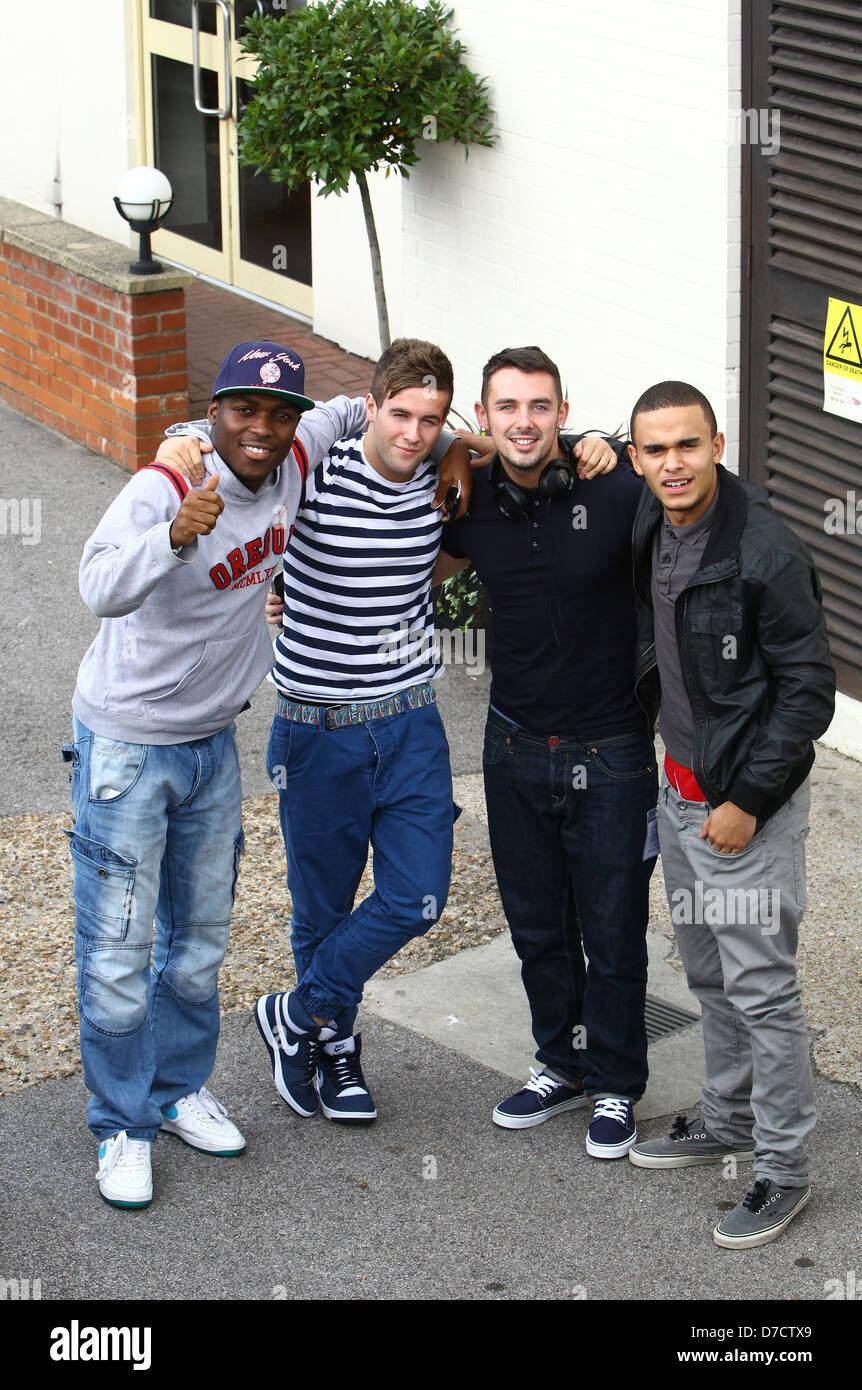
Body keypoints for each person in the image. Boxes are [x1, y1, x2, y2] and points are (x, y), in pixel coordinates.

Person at [67, 340, 380, 1208]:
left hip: (213, 743)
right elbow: (97, 586)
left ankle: (175, 1093)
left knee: (199, 943)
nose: (263, 428)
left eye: (279, 413)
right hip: (128, 747)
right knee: (119, 953)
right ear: (214, 414)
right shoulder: (168, 483)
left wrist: (462, 444)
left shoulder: (296, 455)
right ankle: (121, 1124)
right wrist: (172, 537)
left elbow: (363, 407)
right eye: (244, 409)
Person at [155, 338, 494, 1126]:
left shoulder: (441, 477)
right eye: (400, 414)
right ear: (369, 407)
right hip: (318, 729)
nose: (413, 433)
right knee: (323, 909)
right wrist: (180, 442)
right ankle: (334, 1042)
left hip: (410, 722)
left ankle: (296, 1012)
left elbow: (507, 444)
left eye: (431, 420)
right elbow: (244, 440)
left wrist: (455, 448)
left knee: (417, 897)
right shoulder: (312, 470)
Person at [625, 380, 835, 1248]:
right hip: (679, 794)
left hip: (743, 808)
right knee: (708, 973)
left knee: (762, 989)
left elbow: (809, 690)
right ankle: (729, 1116)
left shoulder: (764, 551)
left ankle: (784, 1169)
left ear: (718, 445)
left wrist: (747, 802)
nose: (672, 463)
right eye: (655, 449)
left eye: (688, 445)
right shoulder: (652, 515)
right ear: (636, 458)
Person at [436, 346, 657, 1159]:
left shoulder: (617, 488)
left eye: (539, 406)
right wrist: (454, 452)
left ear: (563, 412)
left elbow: (696, 492)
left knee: (614, 929)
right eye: (507, 407)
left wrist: (612, 445)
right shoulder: (467, 498)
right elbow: (388, 457)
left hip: (614, 751)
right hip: (513, 745)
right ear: (484, 417)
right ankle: (560, 1063)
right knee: (537, 924)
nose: (523, 422)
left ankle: (616, 1082)